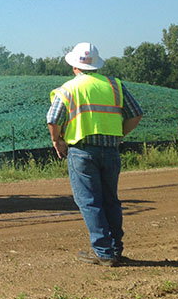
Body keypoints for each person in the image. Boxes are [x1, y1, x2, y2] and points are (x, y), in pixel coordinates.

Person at [47, 42, 143, 267]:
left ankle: (103, 252)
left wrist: (56, 140)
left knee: (90, 202)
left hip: (82, 152)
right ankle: (115, 249)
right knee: (111, 200)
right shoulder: (115, 86)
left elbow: (53, 119)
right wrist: (119, 134)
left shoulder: (69, 89)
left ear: (74, 66)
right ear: (96, 66)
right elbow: (136, 114)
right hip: (111, 151)